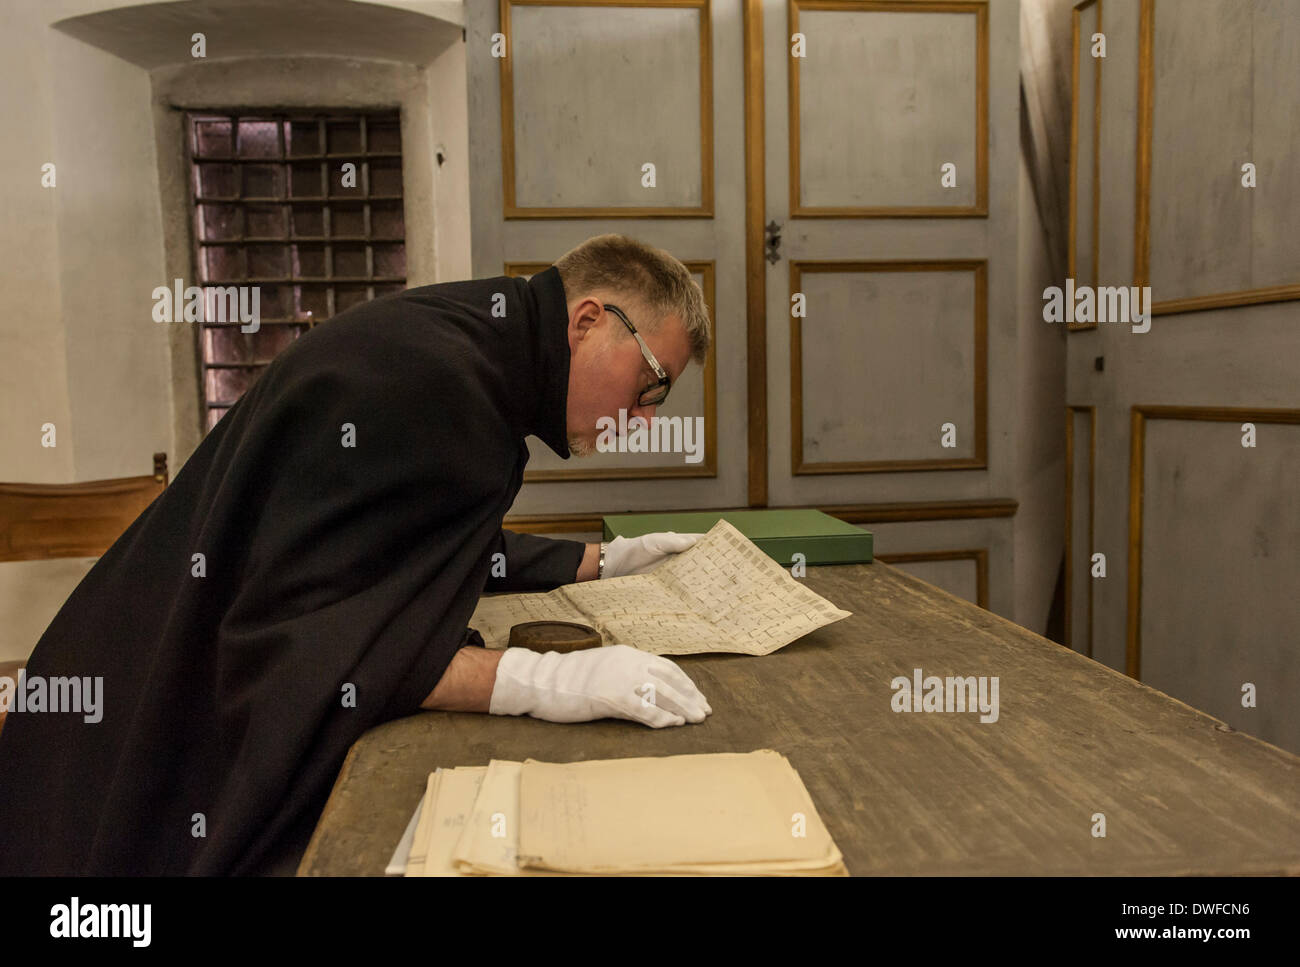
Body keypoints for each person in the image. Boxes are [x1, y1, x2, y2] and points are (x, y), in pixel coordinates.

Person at [0, 233, 713, 875]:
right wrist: (546, 682)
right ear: (589, 320)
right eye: (651, 383)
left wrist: (604, 560)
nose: (643, 417)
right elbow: (305, 645)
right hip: (145, 744)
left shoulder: (472, 351)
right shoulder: (441, 379)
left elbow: (410, 545)